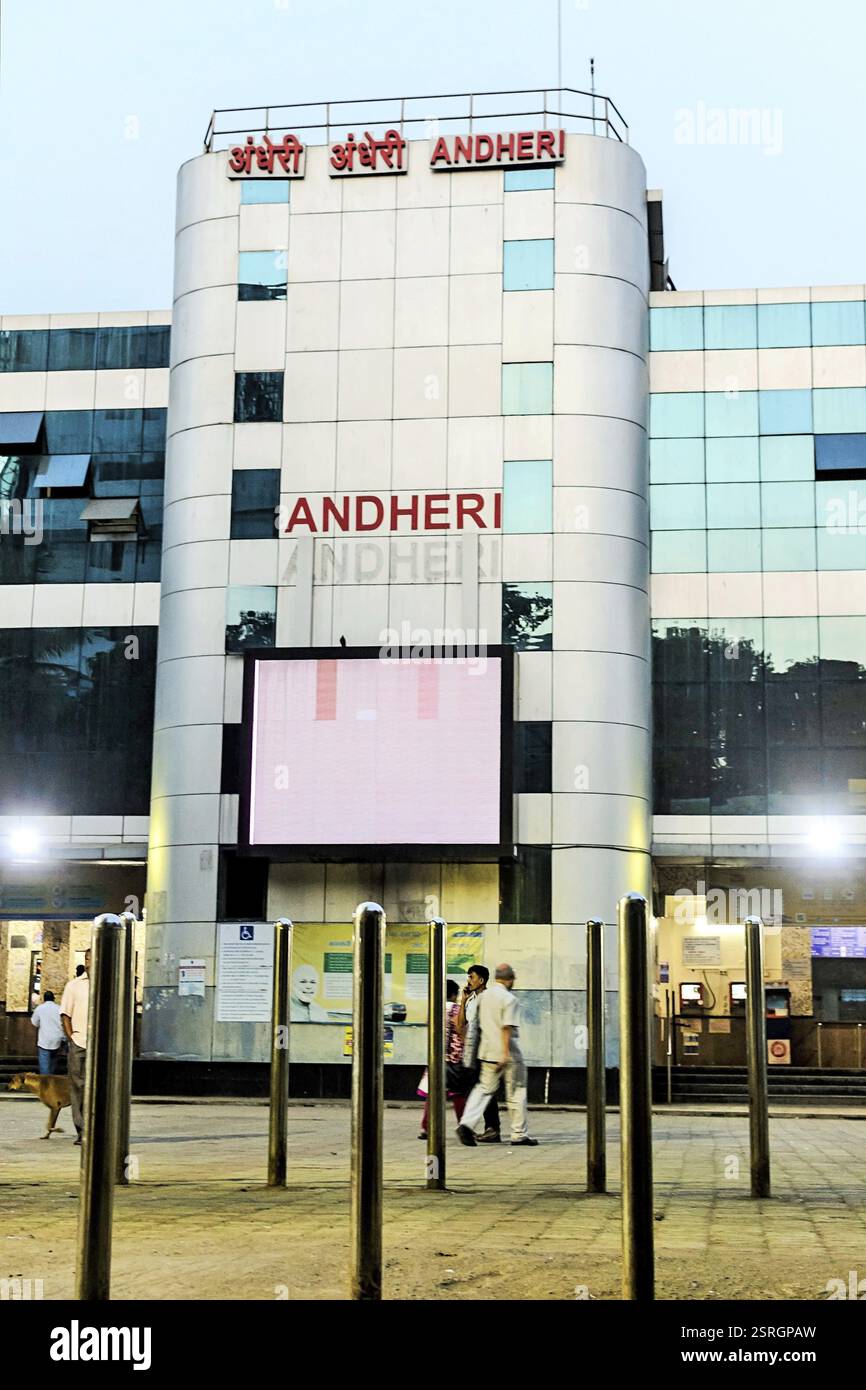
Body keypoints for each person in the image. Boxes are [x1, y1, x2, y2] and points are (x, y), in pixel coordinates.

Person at [457, 962, 537, 1147]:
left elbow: (477, 1025)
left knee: (483, 1089)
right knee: (516, 1092)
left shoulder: (484, 997)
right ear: (510, 979)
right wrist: (505, 1053)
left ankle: (466, 1124)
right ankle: (519, 1134)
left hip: (486, 1052)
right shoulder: (510, 999)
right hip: (506, 1053)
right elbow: (506, 1027)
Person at [417, 979, 470, 1139]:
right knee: (458, 1094)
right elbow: (462, 1031)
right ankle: (464, 1126)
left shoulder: (434, 1009)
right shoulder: (457, 1010)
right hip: (454, 1058)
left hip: (436, 1057)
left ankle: (426, 1127)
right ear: (454, 995)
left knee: (433, 1094)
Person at [456, 965, 501, 1141]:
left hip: (486, 1049)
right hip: (471, 1050)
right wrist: (463, 1001)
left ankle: (492, 1128)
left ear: (481, 980)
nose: (468, 981)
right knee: (478, 1089)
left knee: (484, 1089)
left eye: (471, 977)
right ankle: (487, 1127)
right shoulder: (471, 999)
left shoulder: (490, 999)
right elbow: (460, 1026)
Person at [60, 948, 90, 1145]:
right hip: (79, 1042)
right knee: (78, 1087)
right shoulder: (74, 986)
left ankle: (100, 1129)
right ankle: (82, 1130)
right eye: (89, 958)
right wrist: (71, 1037)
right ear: (86, 960)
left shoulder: (111, 983)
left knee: (101, 1087)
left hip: (103, 1044)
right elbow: (65, 1014)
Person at [30, 990, 64, 1075]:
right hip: (57, 1040)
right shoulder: (59, 1008)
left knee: (44, 1068)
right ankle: (51, 1082)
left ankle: (45, 1083)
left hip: (44, 1040)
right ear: (54, 998)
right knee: (53, 1064)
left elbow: (34, 1022)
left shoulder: (39, 1008)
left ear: (44, 999)